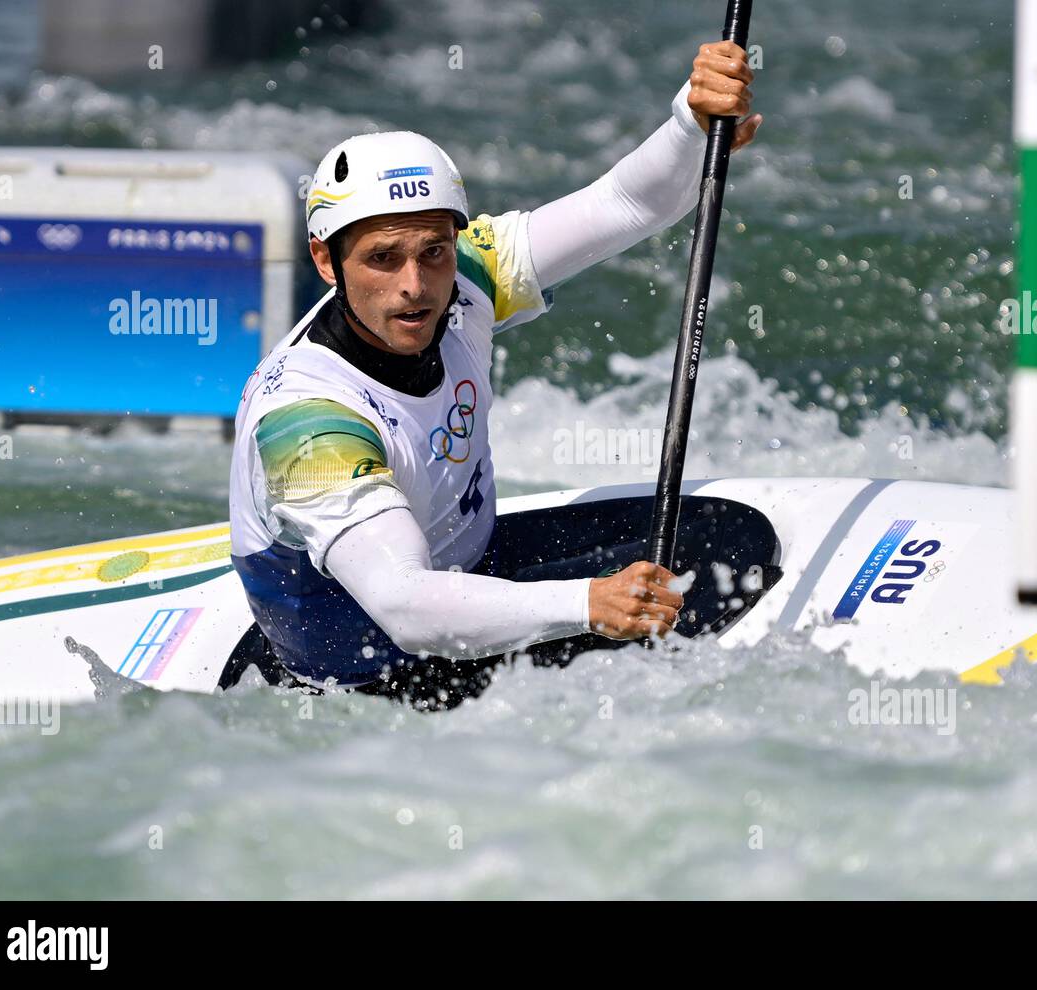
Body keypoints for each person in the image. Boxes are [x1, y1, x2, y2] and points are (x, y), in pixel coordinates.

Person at [228, 41, 762, 699]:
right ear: (325, 261)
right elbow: (406, 606)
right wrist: (591, 605)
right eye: (382, 259)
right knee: (705, 586)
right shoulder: (307, 425)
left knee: (719, 536)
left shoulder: (467, 279)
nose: (415, 286)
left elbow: (623, 204)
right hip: (378, 673)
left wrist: (691, 121)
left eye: (434, 251)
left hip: (472, 573)